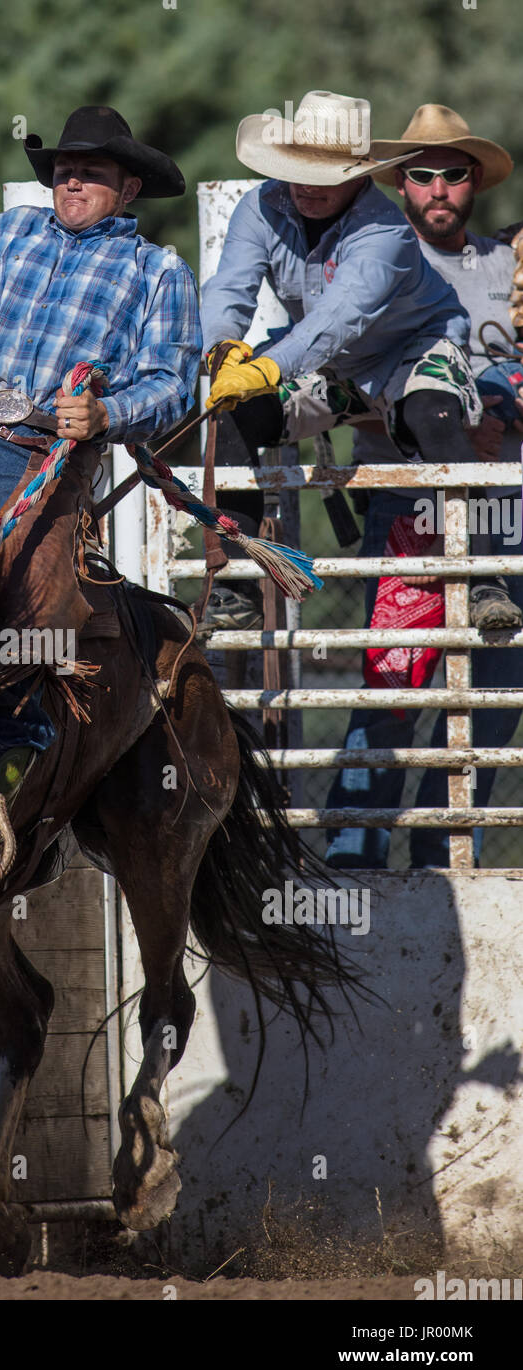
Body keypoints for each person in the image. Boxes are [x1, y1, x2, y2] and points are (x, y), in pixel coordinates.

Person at [0, 105, 200, 871]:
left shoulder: (157, 271)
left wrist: (106, 410)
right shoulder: (10, 234)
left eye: (92, 171)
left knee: (19, 599)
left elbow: (175, 386)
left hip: (44, 451)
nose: (72, 180)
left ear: (128, 187)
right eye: (64, 168)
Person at [199, 90, 480, 633]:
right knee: (237, 412)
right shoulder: (258, 207)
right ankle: (235, 583)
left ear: (358, 175)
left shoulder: (387, 231)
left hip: (412, 346)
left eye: (323, 173)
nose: (305, 184)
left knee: (433, 413)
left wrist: (263, 368)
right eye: (296, 168)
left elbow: (339, 318)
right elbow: (228, 290)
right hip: (332, 364)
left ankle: (480, 571)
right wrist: (222, 348)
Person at [326, 106, 523, 869]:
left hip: (504, 501)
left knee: (495, 699)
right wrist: (435, 424)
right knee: (393, 691)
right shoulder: (378, 259)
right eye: (421, 172)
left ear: (473, 182)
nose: (438, 186)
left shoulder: (507, 265)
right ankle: (354, 863)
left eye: (453, 171)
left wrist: (502, 409)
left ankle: (448, 862)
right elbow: (340, 383)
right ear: (400, 185)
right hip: (410, 502)